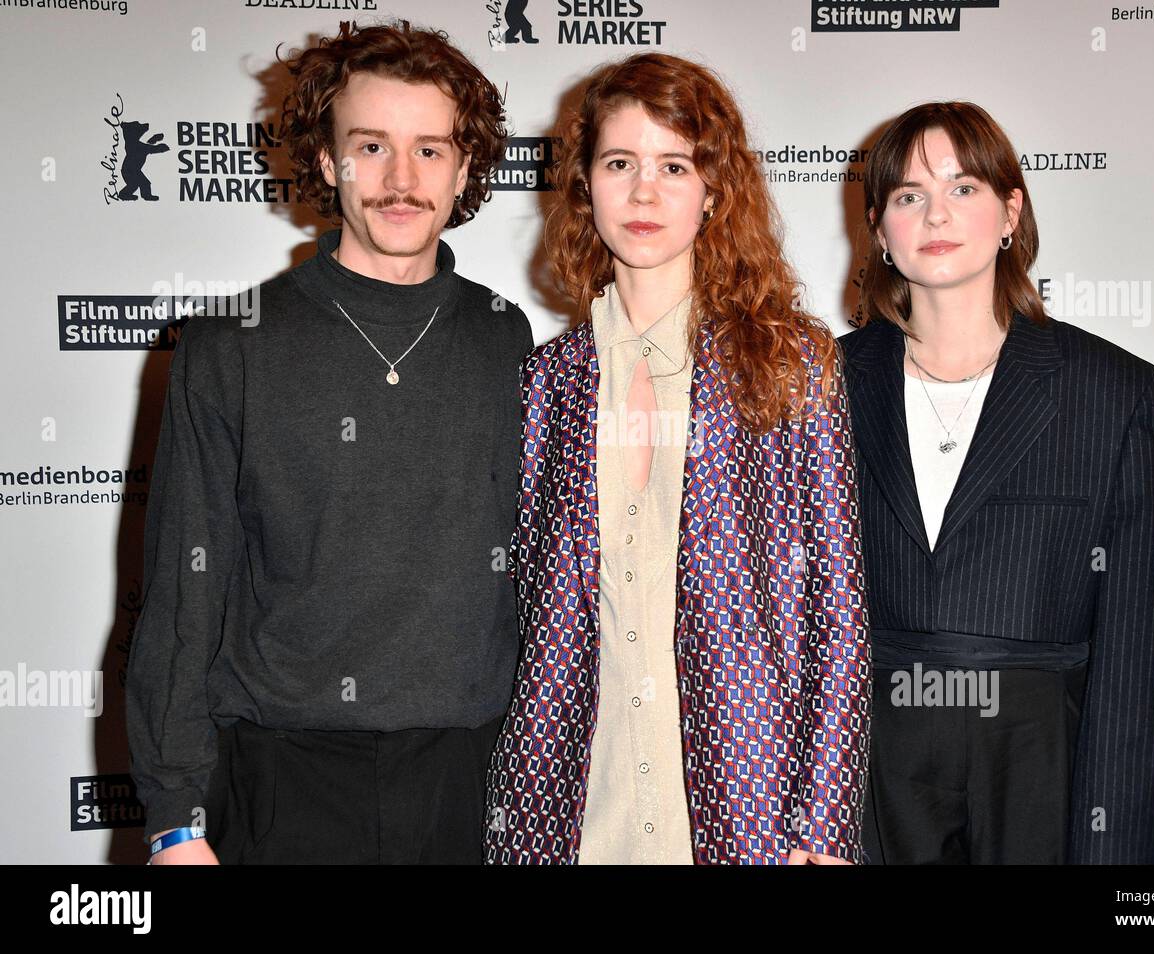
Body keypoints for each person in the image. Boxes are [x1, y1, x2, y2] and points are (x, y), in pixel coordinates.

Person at [125, 20, 532, 864]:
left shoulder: (505, 338)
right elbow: (179, 599)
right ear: (324, 160)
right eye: (371, 145)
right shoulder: (231, 344)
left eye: (430, 150)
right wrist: (173, 819)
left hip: (471, 780)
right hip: (281, 784)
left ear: (464, 170)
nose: (399, 179)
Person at [483, 52, 870, 865]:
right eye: (619, 163)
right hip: (574, 812)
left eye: (674, 165)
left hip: (744, 807)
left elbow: (839, 608)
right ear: (585, 186)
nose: (645, 192)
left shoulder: (790, 363)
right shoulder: (543, 384)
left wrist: (823, 825)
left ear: (714, 189)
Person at [839, 101, 1154, 864]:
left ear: (1011, 211)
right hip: (869, 770)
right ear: (881, 227)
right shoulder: (821, 386)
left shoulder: (1112, 391)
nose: (936, 214)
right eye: (908, 195)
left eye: (963, 188)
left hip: (1039, 766)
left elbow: (1129, 651)